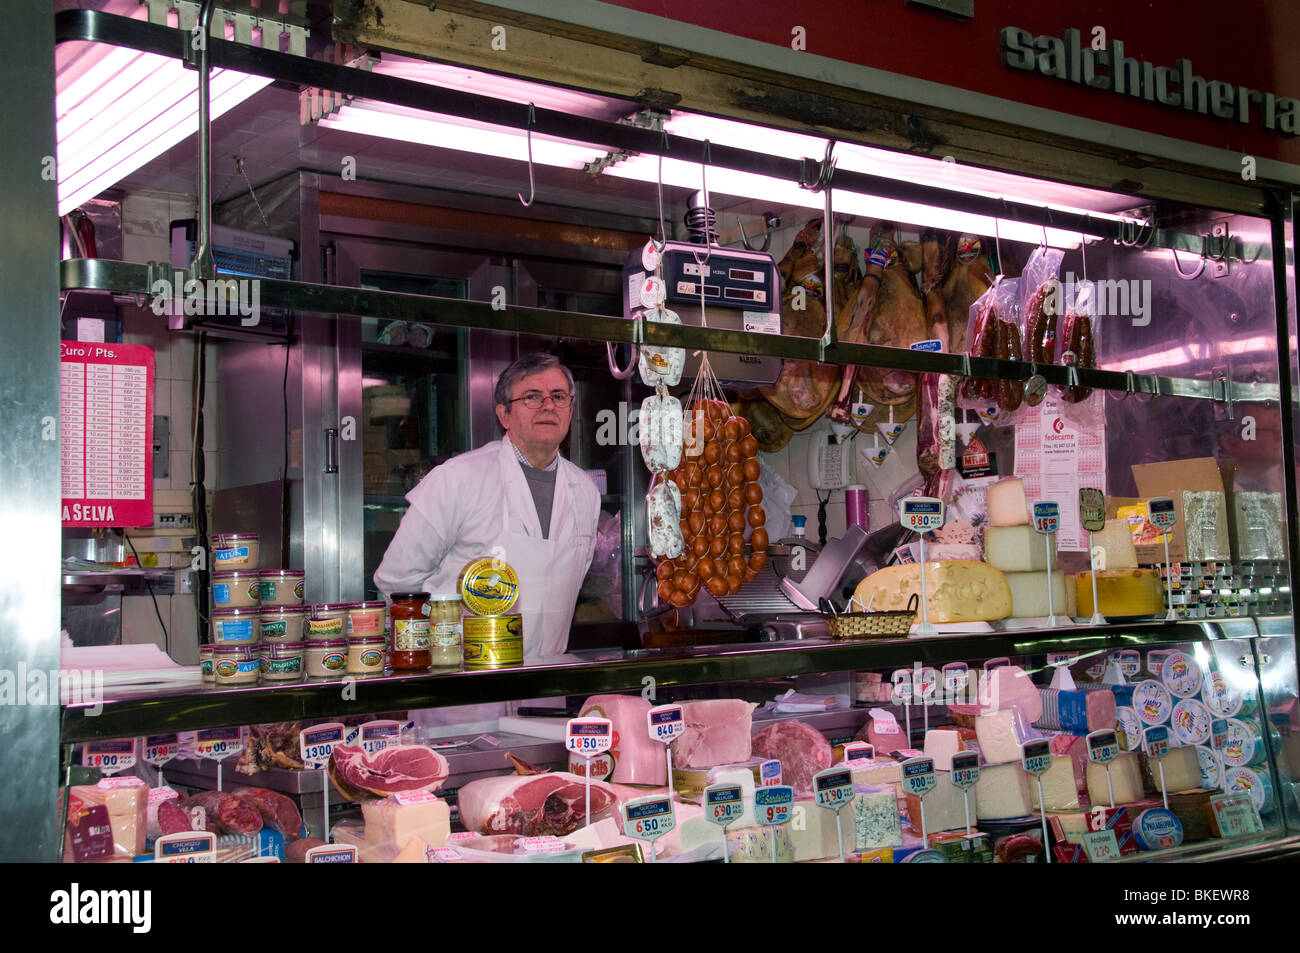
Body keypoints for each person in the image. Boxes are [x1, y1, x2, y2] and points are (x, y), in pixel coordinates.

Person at [374, 353, 600, 660]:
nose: (548, 405)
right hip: (462, 690)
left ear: (571, 409)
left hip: (547, 687)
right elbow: (397, 582)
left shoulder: (586, 492)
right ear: (503, 415)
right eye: (532, 397)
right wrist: (441, 650)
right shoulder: (457, 479)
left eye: (559, 396)